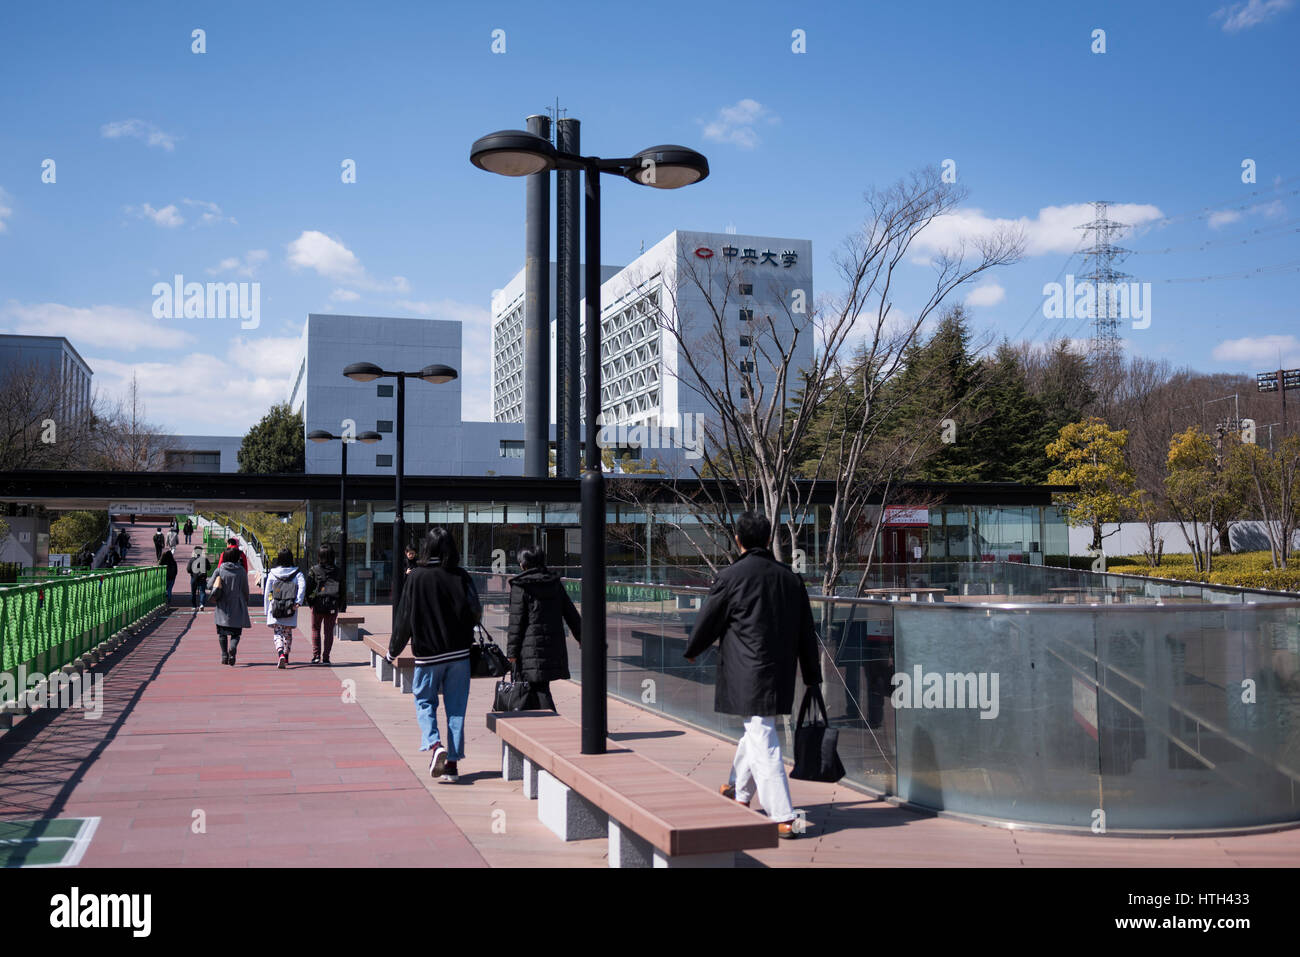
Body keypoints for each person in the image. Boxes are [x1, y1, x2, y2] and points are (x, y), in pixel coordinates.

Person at [683, 511, 822, 840]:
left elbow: (709, 619)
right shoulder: (790, 577)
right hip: (781, 669)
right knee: (758, 729)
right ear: (767, 536)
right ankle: (739, 792)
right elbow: (806, 630)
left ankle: (783, 815)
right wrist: (811, 673)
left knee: (761, 736)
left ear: (738, 540)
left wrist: (692, 650)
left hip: (746, 669)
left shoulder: (731, 576)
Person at [389, 527, 480, 784]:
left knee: (425, 701)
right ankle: (451, 764)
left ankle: (434, 743)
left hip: (428, 654)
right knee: (456, 707)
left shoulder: (416, 577)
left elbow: (404, 618)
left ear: (426, 548)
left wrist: (393, 650)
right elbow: (475, 611)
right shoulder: (460, 575)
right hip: (460, 653)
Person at [506, 545, 580, 713]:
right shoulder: (553, 583)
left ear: (523, 563)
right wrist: (581, 636)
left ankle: (552, 724)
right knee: (538, 686)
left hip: (528, 649)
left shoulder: (521, 585)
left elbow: (516, 623)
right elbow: (570, 613)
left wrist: (511, 653)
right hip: (552, 645)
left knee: (538, 690)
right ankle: (537, 723)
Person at [264, 549, 306, 669]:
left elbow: (267, 591)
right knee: (287, 632)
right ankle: (286, 655)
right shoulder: (297, 573)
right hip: (290, 606)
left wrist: (267, 609)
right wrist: (298, 602)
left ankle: (280, 653)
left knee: (278, 632)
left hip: (275, 606)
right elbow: (302, 587)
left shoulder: (273, 573)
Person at [211, 547, 251, 665]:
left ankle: (224, 655)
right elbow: (245, 589)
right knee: (236, 633)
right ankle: (232, 648)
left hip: (222, 605)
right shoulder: (242, 571)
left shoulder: (219, 570)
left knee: (222, 632)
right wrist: (246, 601)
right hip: (237, 604)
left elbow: (210, 584)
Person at [305, 544, 345, 665]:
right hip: (332, 605)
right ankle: (326, 657)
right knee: (328, 632)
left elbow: (308, 588)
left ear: (319, 556)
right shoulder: (338, 571)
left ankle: (316, 656)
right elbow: (343, 589)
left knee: (315, 629)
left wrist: (310, 602)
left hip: (318, 604)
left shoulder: (314, 570)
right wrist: (339, 604)